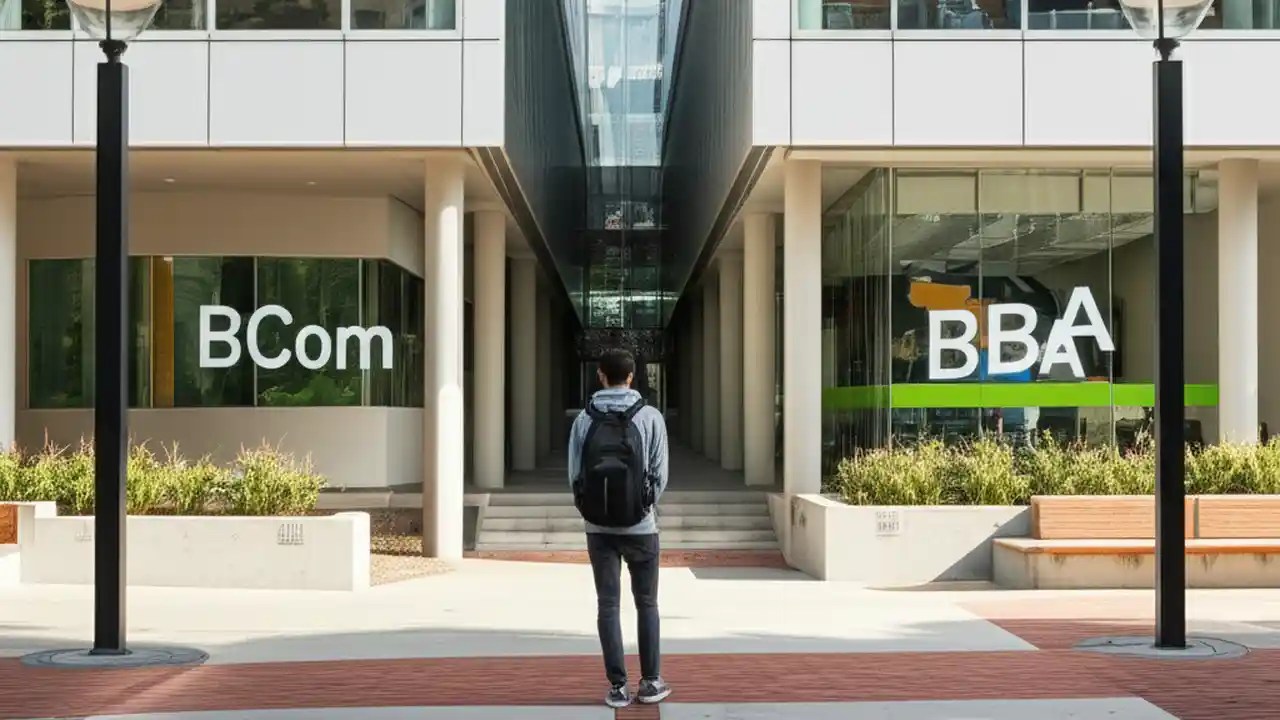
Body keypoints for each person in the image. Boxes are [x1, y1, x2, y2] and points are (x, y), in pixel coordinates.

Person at [567, 348, 671, 709]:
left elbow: (575, 474)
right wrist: (644, 506)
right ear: (632, 377)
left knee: (608, 605)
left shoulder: (584, 419)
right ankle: (651, 681)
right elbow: (660, 474)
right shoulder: (651, 417)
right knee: (647, 603)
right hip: (641, 526)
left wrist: (590, 510)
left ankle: (617, 687)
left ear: (600, 376)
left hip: (598, 528)